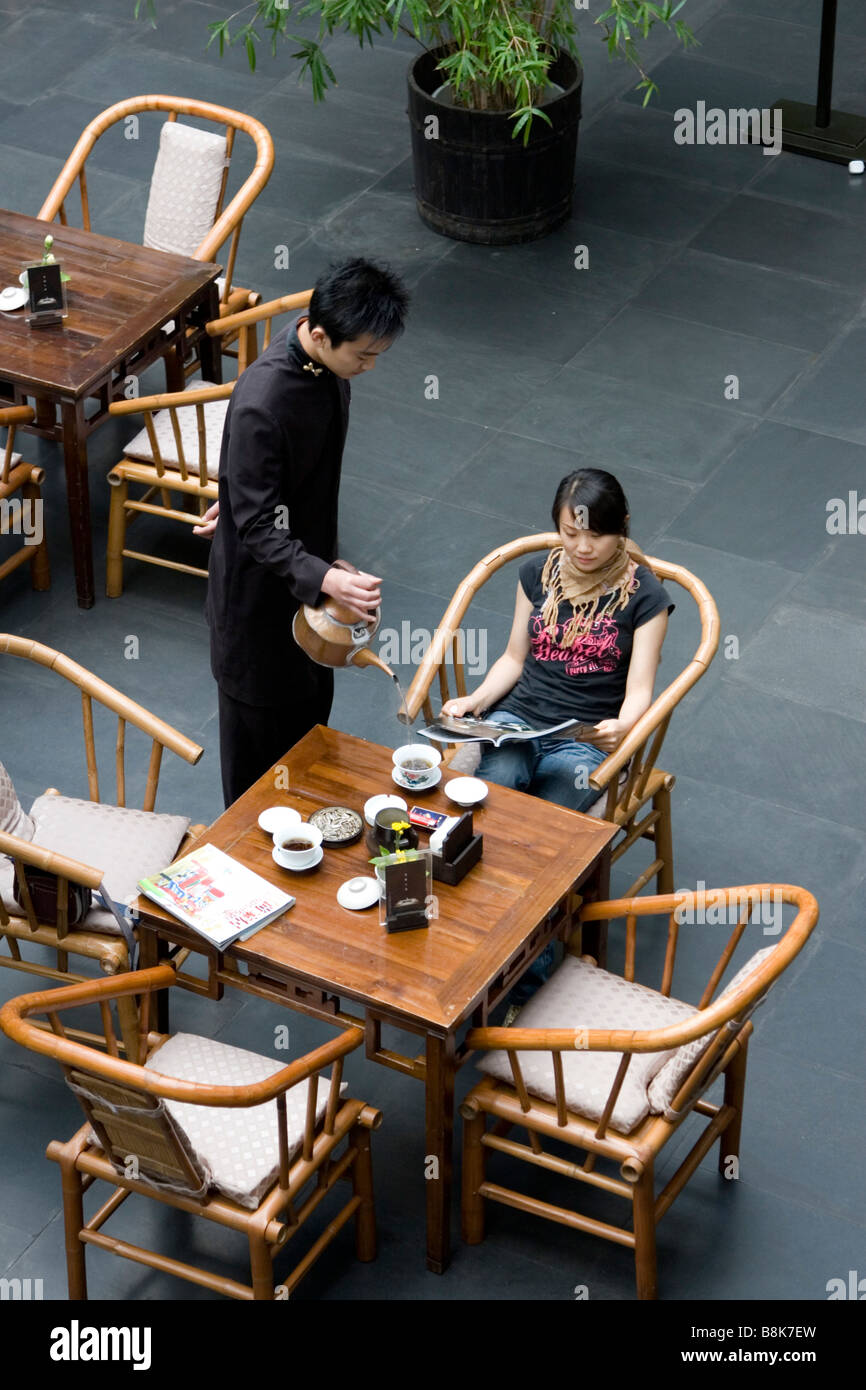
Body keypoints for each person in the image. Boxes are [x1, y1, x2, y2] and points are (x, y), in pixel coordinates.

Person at [442, 467, 673, 1008]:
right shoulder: (537, 573)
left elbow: (640, 687)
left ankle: (525, 968)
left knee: (545, 834)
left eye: (595, 535)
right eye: (570, 534)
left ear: (623, 529)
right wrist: (477, 700)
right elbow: (513, 658)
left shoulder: (646, 597)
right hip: (521, 717)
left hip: (584, 737)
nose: (582, 547)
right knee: (496, 783)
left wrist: (626, 722)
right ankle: (483, 919)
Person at [203, 258, 409, 807]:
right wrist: (326, 578)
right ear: (318, 334)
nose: (368, 367)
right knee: (259, 768)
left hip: (308, 573)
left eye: (376, 355)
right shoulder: (265, 400)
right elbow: (256, 525)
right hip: (257, 606)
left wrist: (239, 496)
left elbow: (262, 488)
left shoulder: (328, 366)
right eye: (362, 355)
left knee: (310, 735)